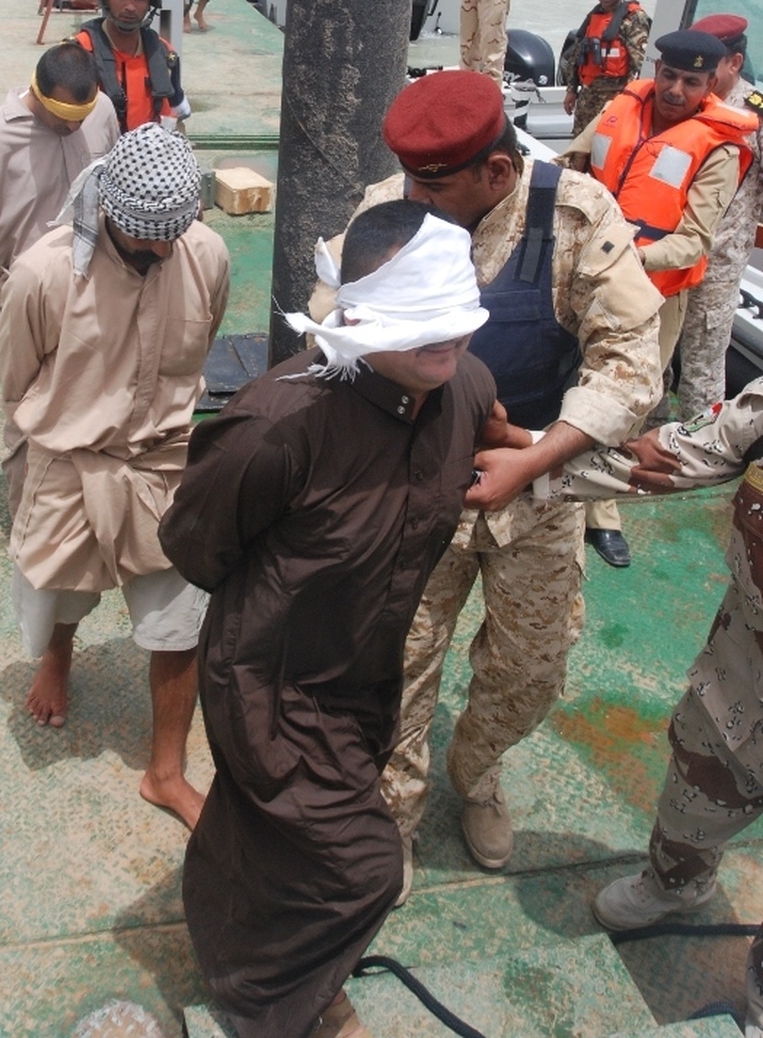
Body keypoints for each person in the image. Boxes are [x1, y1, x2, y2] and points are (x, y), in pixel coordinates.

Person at [310, 71, 662, 882]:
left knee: (530, 667)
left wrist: (532, 457)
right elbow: (329, 313)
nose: (409, 194)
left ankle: (477, 770)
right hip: (416, 475)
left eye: (430, 183)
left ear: (495, 174)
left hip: (538, 483)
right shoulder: (388, 205)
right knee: (398, 655)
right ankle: (389, 814)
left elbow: (632, 367)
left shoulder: (576, 217)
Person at [160, 200, 499, 1038]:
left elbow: (486, 432)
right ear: (356, 313)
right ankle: (265, 999)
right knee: (365, 869)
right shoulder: (280, 424)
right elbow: (195, 543)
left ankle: (227, 931)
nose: (446, 342)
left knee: (263, 829)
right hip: (270, 683)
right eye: (420, 322)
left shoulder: (463, 389)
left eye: (456, 320)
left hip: (366, 670)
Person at [0, 124, 229, 832]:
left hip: (163, 458)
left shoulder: (206, 254)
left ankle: (165, 771)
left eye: (174, 233)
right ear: (111, 211)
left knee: (179, 621)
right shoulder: (43, 272)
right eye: (145, 235)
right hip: (71, 456)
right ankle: (58, 660)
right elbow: (15, 375)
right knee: (59, 592)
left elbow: (205, 337)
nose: (162, 249)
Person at [532, 384, 763, 1038]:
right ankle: (676, 882)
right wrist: (526, 463)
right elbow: (662, 456)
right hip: (740, 684)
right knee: (694, 791)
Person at [562, 29, 755, 567]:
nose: (674, 89)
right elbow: (571, 166)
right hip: (581, 272)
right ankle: (552, 484)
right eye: (668, 75)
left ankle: (602, 511)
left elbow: (693, 240)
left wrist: (624, 257)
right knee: (563, 378)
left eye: (690, 82)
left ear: (711, 83)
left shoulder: (718, 146)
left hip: (651, 290)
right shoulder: (624, 107)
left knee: (629, 399)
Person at [0, 41, 118, 286]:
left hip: (95, 280)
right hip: (27, 284)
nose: (73, 126)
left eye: (81, 117)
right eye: (63, 115)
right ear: (37, 92)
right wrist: (8, 249)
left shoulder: (103, 110)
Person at [675, 14, 763, 419]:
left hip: (719, 261)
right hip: (671, 247)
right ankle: (647, 433)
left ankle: (697, 441)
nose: (702, 73)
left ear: (735, 62)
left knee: (704, 358)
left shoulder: (755, 115)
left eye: (713, 65)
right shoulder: (688, 101)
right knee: (653, 347)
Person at [74, 0, 185, 131]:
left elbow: (177, 119)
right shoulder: (79, 53)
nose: (131, 7)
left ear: (150, 4)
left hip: (149, 154)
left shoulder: (164, 54)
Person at [561, 0, 650, 134]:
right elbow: (576, 56)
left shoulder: (633, 19)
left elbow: (640, 63)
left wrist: (629, 102)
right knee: (579, 150)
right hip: (587, 100)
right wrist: (571, 90)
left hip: (615, 101)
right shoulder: (594, 16)